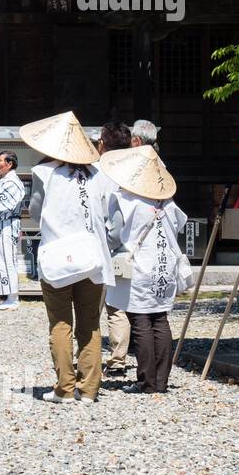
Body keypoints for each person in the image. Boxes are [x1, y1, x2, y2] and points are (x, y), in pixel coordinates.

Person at [24, 112, 114, 404]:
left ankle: (64, 388)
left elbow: (36, 212)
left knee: (61, 323)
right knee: (90, 324)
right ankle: (88, 390)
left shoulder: (44, 173)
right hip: (91, 257)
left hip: (57, 257)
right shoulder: (97, 173)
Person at [101, 146, 187, 394]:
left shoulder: (125, 199)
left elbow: (114, 235)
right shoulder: (168, 202)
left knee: (139, 321)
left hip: (138, 266)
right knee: (160, 319)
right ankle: (161, 381)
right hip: (164, 265)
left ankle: (147, 381)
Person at [96, 121, 133, 375]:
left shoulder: (95, 171)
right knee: (118, 307)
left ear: (102, 143)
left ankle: (86, 357)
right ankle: (119, 359)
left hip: (100, 243)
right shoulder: (134, 169)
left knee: (90, 307)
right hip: (128, 246)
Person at [0, 150, 25, 310]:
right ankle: (8, 295)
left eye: (0, 160)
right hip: (1, 225)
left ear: (9, 164)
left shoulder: (12, 182)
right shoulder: (6, 181)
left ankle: (13, 298)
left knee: (7, 259)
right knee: (1, 259)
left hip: (7, 225)